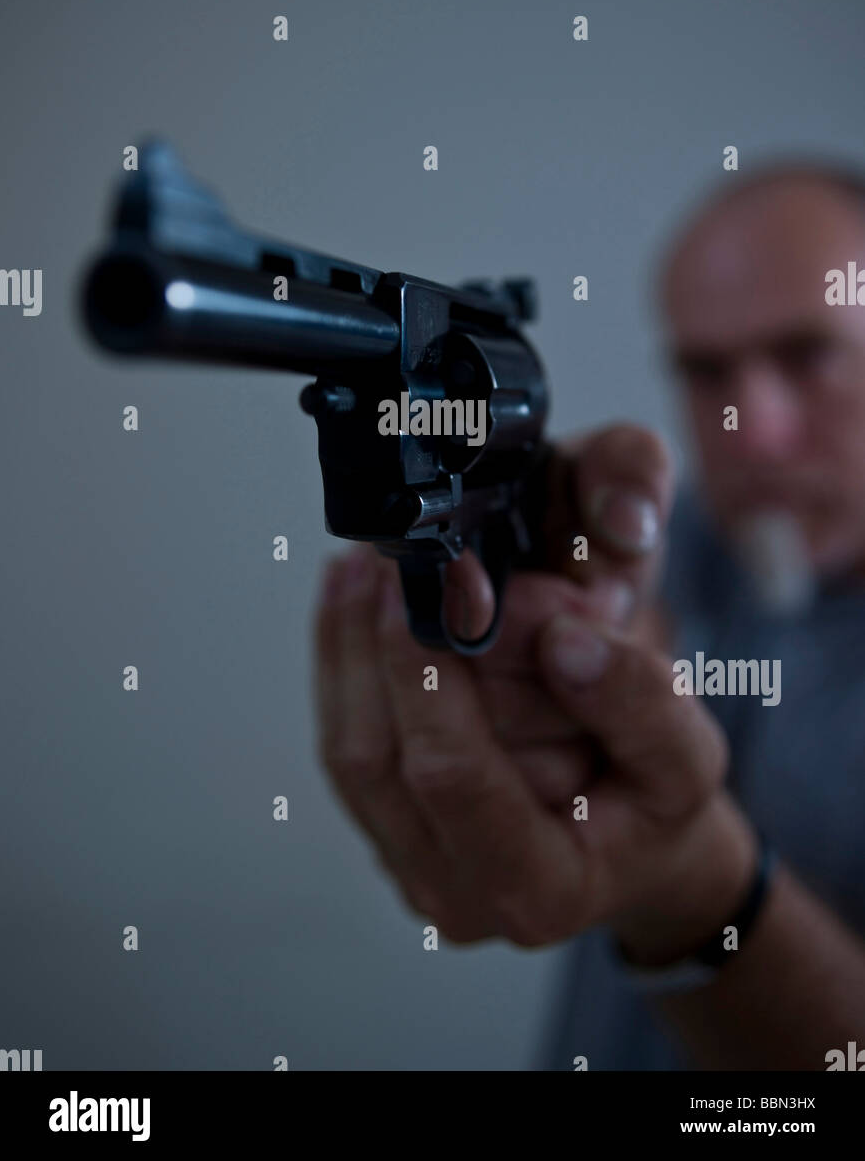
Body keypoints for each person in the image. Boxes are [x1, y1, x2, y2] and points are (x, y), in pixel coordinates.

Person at [313, 162, 865, 1070]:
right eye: (706, 370)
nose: (750, 430)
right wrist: (533, 655)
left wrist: (698, 895)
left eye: (809, 356)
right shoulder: (705, 546)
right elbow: (609, 606)